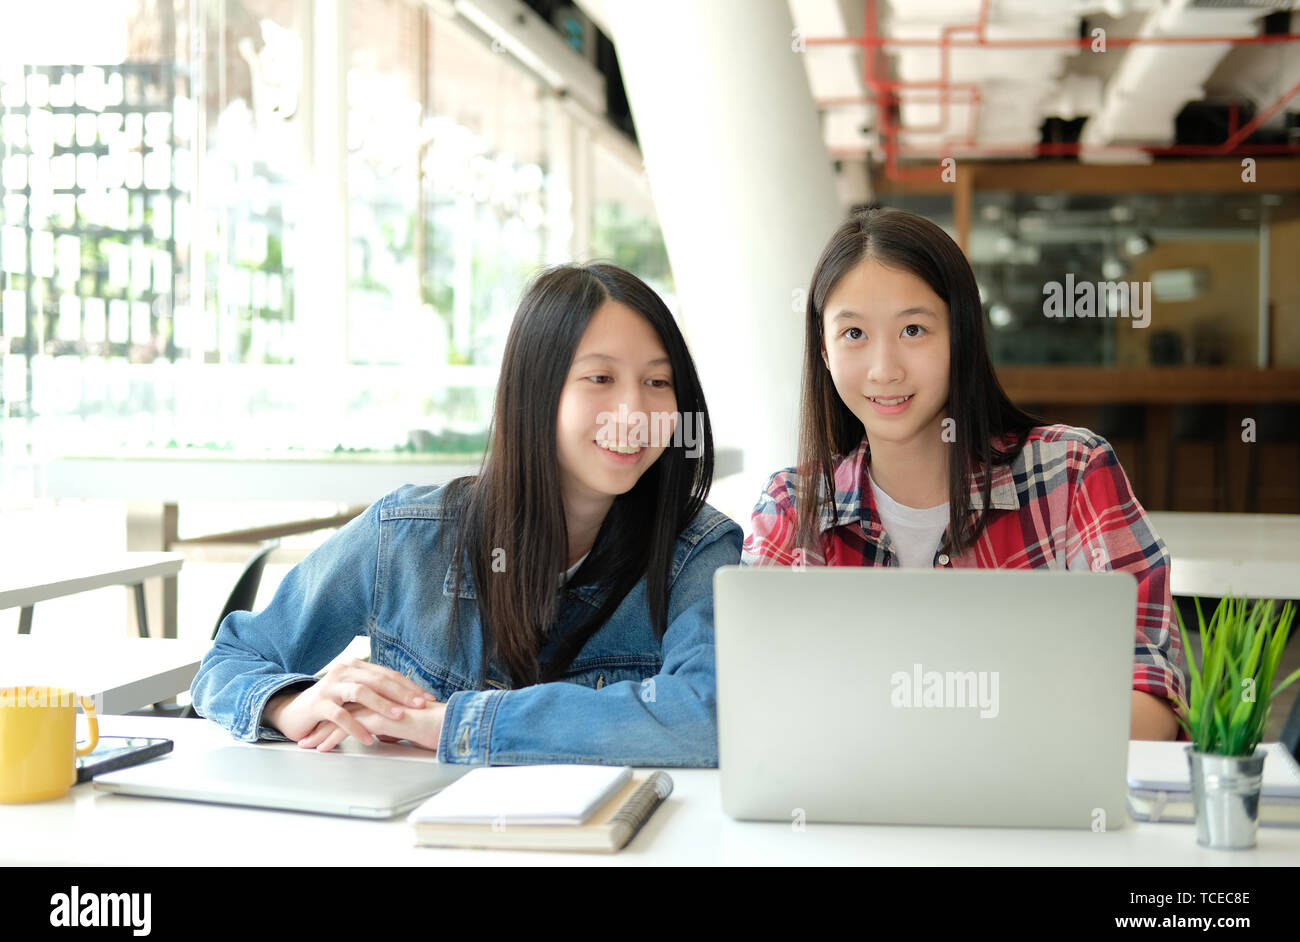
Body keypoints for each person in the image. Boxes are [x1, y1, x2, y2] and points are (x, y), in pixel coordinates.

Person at [191, 263, 742, 765]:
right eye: (600, 378)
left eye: (657, 382)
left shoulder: (696, 550)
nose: (633, 412)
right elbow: (232, 659)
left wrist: (452, 726)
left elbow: (705, 717)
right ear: (535, 393)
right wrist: (289, 705)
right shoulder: (406, 536)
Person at [741, 206, 1185, 741]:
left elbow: (1153, 697)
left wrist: (974, 738)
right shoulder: (794, 508)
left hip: (1037, 814)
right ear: (824, 351)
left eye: (913, 329)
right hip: (857, 818)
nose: (885, 368)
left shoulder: (1069, 475)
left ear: (962, 336)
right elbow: (757, 708)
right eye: (854, 333)